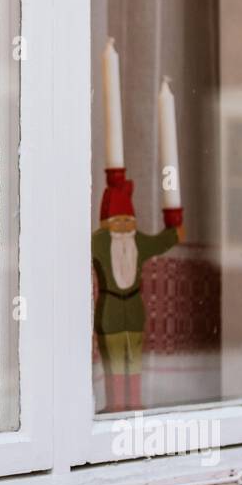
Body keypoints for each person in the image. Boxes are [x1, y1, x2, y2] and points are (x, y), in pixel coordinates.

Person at [91, 173, 183, 413]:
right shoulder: (99, 243)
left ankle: (134, 402)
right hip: (109, 311)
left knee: (134, 361)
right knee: (114, 362)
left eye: (127, 220)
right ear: (106, 223)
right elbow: (77, 244)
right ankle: (116, 404)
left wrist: (174, 228)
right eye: (117, 221)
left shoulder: (138, 242)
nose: (123, 226)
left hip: (134, 310)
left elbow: (160, 242)